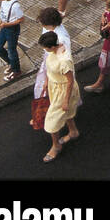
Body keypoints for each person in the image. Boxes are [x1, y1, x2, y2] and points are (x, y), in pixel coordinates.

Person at [38, 31, 81, 162]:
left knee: (51, 121)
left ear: (52, 47)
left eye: (46, 48)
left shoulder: (64, 61)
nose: (45, 50)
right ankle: (73, 132)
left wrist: (66, 100)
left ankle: (56, 146)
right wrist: (46, 81)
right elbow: (49, 67)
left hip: (63, 90)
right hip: (55, 86)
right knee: (66, 114)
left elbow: (70, 81)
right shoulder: (58, 47)